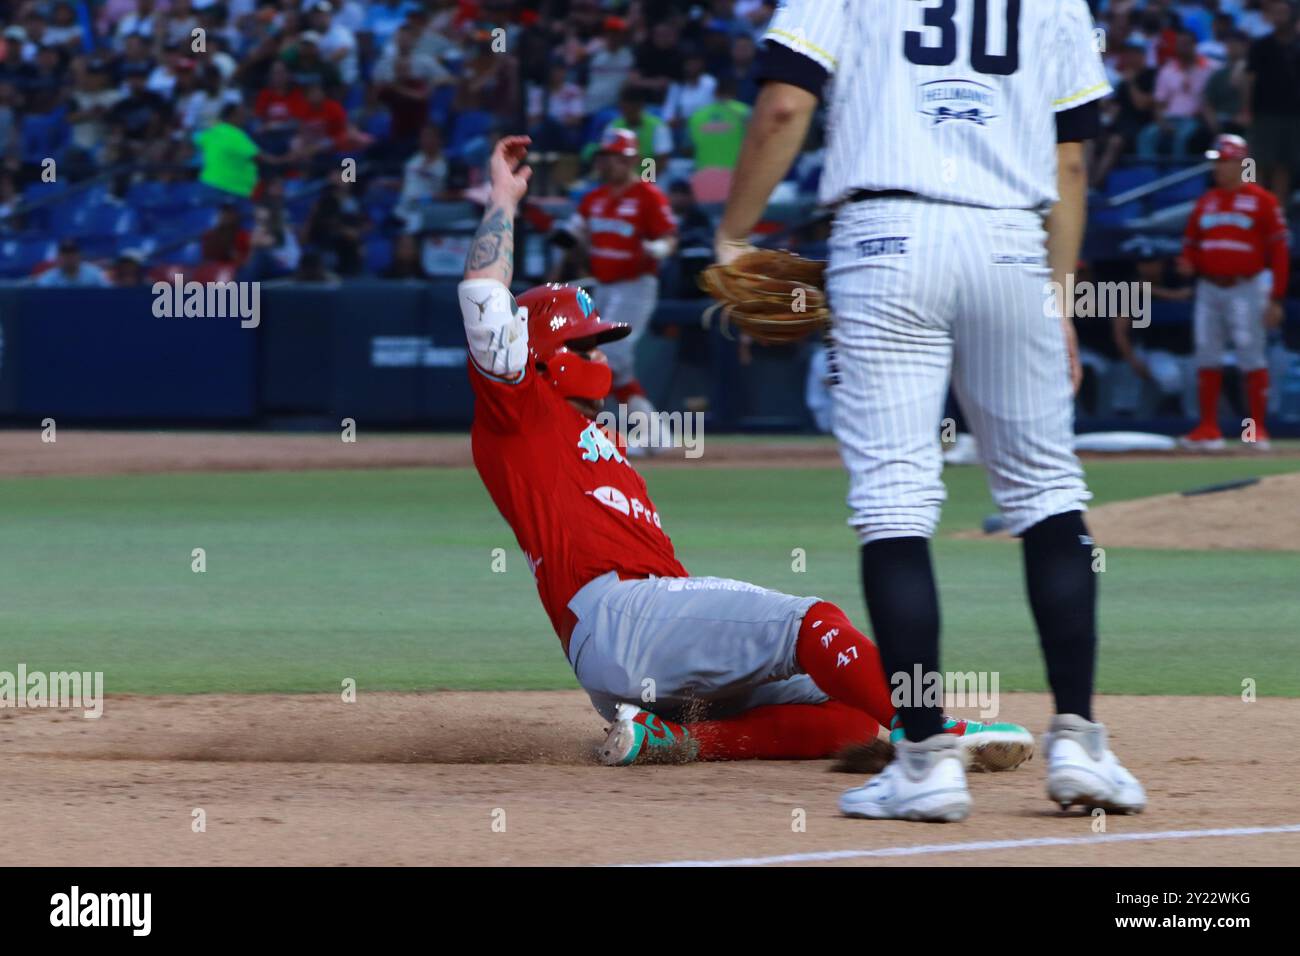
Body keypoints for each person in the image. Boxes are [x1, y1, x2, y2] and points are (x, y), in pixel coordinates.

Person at [459, 136, 1035, 769]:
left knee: (847, 718)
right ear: (542, 359)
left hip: (640, 639)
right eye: (588, 346)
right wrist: (503, 200)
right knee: (811, 622)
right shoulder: (521, 413)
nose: (601, 357)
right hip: (622, 613)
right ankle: (926, 728)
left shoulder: (593, 434)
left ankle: (671, 740)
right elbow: (484, 300)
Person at [715, 1, 1146, 821]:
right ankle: (1082, 747)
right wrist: (1057, 296)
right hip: (1012, 241)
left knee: (895, 503)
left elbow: (783, 104)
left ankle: (923, 763)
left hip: (886, 239)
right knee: (1050, 496)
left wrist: (733, 233)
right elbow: (1071, 166)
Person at [561, 127, 676, 447]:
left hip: (636, 285)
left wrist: (657, 250)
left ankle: (585, 433)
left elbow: (669, 238)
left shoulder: (648, 195)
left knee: (608, 356)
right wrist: (555, 257)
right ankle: (655, 435)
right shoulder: (593, 198)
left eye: (616, 158)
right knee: (619, 368)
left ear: (631, 161)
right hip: (605, 287)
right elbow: (573, 235)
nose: (609, 164)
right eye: (605, 158)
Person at [1178, 133, 1290, 451]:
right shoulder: (1206, 200)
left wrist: (1276, 298)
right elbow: (1191, 245)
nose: (1220, 168)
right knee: (1206, 353)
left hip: (1247, 286)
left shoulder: (1262, 200)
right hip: (1209, 286)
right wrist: (1190, 262)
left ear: (1242, 163)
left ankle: (1253, 430)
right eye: (1217, 163)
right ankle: (1208, 429)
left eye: (1225, 161)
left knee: (1250, 355)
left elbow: (1279, 253)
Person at [1243, 0, 1300, 203]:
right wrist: (1246, 109)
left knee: (1284, 165)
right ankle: (1252, 205)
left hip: (1293, 115)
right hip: (1263, 112)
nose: (1279, 18)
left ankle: (1277, 211)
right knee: (1254, 162)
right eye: (1276, 13)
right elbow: (1250, 79)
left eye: (1283, 13)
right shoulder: (1261, 45)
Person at [34, 239, 110, 286]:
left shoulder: (94, 273)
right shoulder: (50, 277)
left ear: (79, 256)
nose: (69, 257)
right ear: (59, 257)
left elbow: (107, 295)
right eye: (65, 254)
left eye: (72, 253)